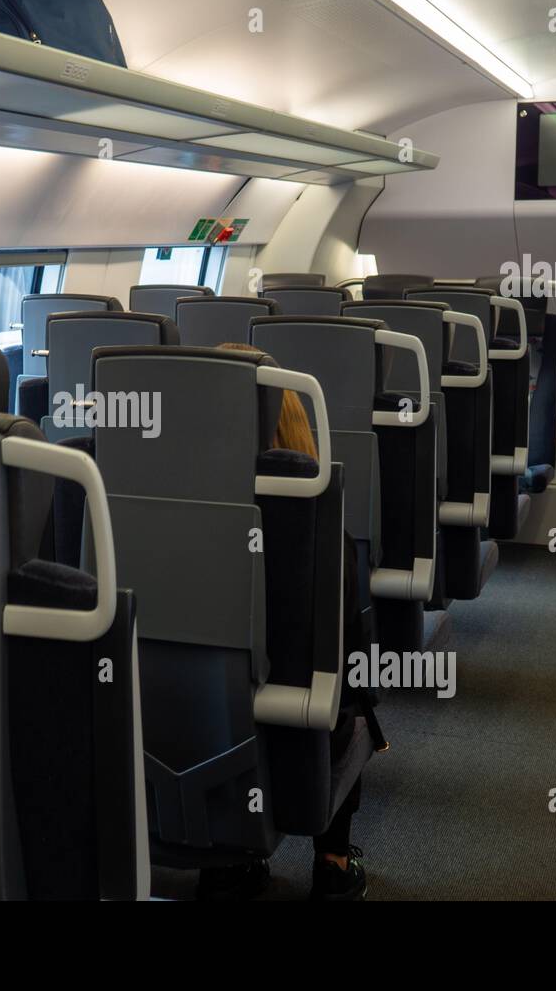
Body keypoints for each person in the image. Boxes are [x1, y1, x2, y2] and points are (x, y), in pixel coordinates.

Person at [199, 343, 369, 902]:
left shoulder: (146, 509)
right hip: (294, 737)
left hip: (182, 727)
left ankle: (226, 863)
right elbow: (350, 665)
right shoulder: (321, 530)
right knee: (357, 709)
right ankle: (333, 862)